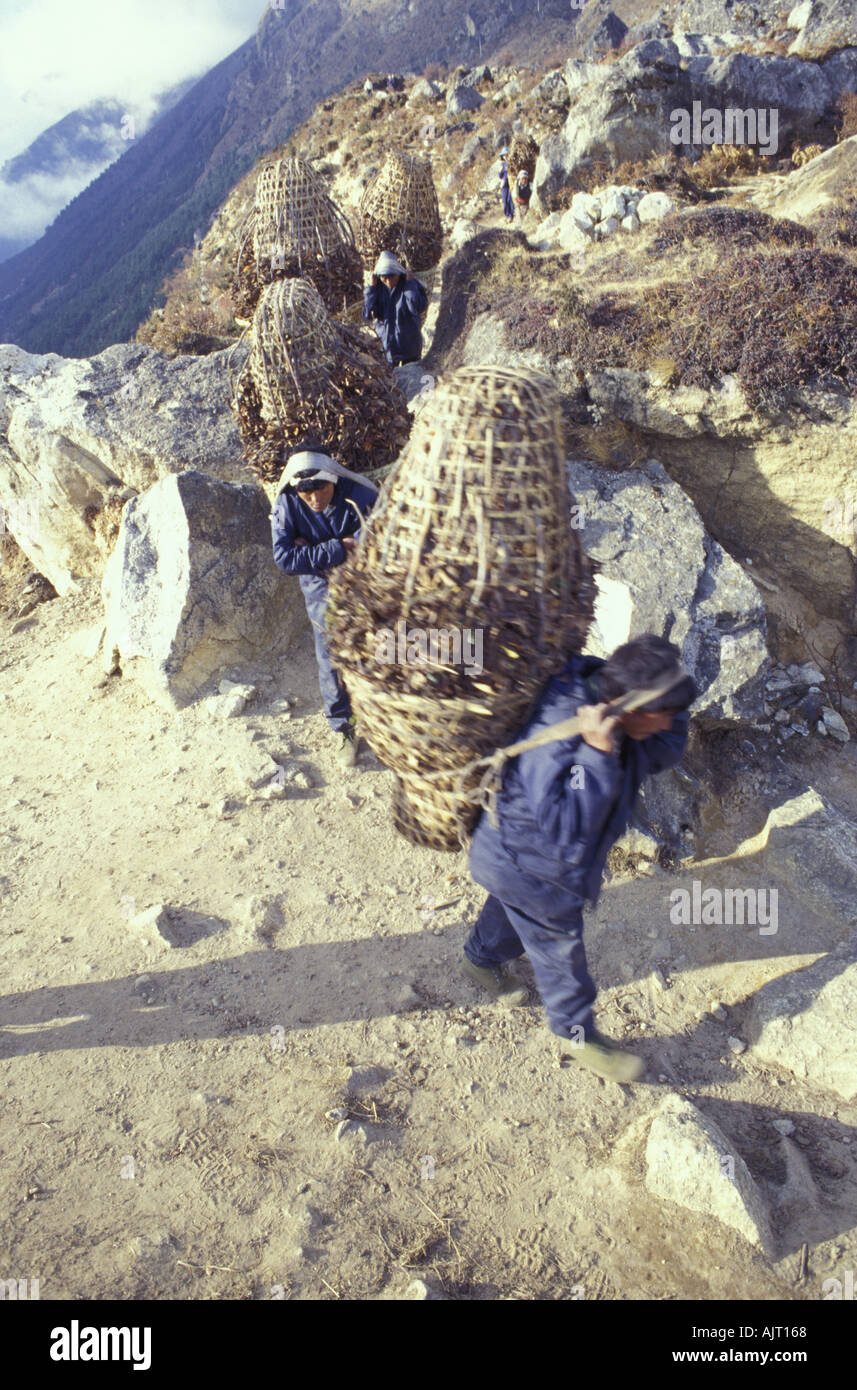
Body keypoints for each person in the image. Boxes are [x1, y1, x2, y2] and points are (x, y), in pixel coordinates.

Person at [462, 634, 697, 1083]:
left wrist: (670, 702)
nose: (670, 723)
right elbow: (566, 828)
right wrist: (596, 755)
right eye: (664, 715)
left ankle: (478, 958)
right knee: (557, 950)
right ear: (633, 711)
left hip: (514, 862)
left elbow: (665, 749)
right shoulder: (562, 737)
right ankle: (578, 1036)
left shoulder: (621, 710)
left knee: (512, 916)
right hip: (532, 866)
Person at [271, 448, 378, 768]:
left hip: (363, 586)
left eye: (321, 488)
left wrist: (312, 551)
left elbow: (371, 548)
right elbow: (284, 559)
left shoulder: (360, 497)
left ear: (334, 481)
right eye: (305, 491)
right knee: (330, 656)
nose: (314, 498)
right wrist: (336, 548)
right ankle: (343, 727)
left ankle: (380, 713)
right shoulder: (288, 503)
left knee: (378, 648)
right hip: (320, 591)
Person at [362, 251, 428, 366]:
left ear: (398, 273)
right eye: (384, 277)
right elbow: (366, 314)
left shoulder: (409, 284)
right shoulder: (376, 289)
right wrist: (370, 289)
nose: (388, 282)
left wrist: (410, 284)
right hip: (387, 349)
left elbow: (416, 308)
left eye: (392, 276)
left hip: (410, 347)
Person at [498, 150, 514, 223]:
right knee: (505, 200)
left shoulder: (512, 163)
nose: (505, 157)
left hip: (511, 182)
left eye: (507, 155)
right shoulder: (502, 164)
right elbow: (500, 176)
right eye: (504, 155)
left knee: (510, 199)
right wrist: (500, 171)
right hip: (504, 184)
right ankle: (507, 215)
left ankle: (511, 215)